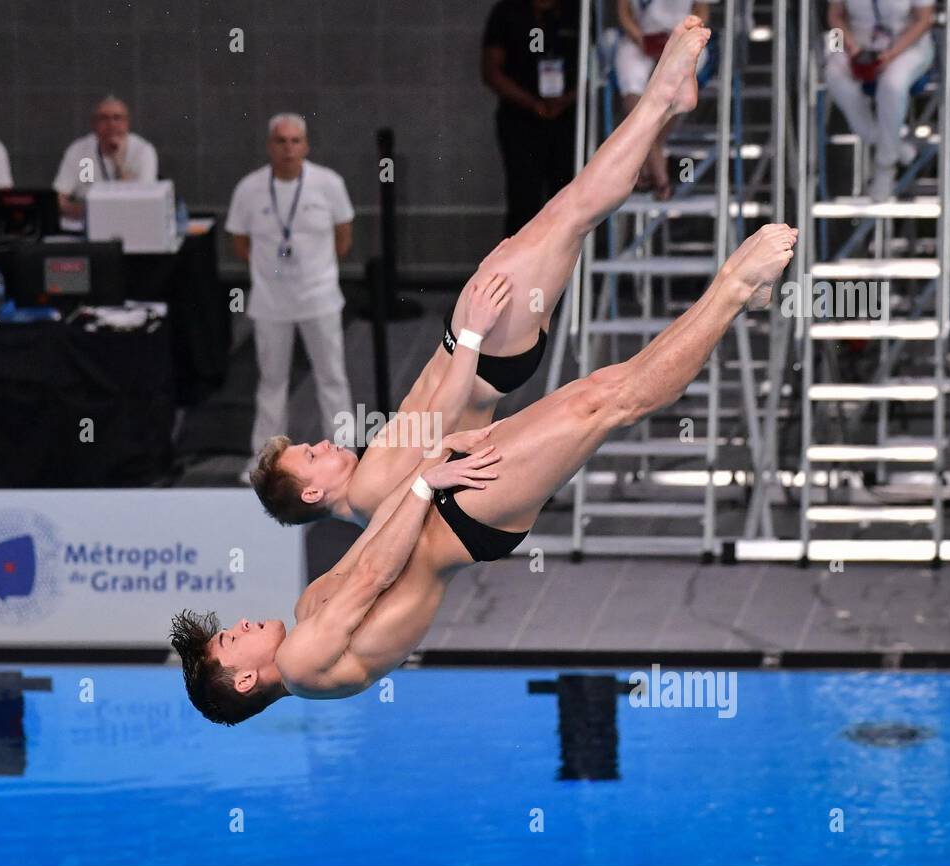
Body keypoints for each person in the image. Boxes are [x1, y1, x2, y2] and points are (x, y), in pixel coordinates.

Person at [172, 222, 797, 725]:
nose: (241, 625)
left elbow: (374, 540)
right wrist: (428, 481)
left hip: (449, 505)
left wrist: (432, 462)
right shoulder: (303, 665)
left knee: (598, 396)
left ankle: (736, 296)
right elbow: (374, 573)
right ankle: (736, 286)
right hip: (460, 517)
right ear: (246, 679)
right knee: (606, 402)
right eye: (231, 640)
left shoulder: (307, 612)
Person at [252, 19, 710, 531]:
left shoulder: (367, 498)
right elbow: (440, 418)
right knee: (573, 209)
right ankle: (661, 99)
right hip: (483, 349)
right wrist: (471, 331)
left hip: (483, 354)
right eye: (311, 455)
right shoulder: (365, 492)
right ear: (313, 492)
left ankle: (663, 104)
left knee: (571, 214)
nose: (322, 443)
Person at [226, 113, 355, 482]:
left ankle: (345, 457)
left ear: (306, 145)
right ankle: (265, 462)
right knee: (271, 381)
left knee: (332, 377)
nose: (288, 148)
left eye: (295, 141)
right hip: (271, 302)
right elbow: (240, 242)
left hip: (320, 298)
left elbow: (343, 238)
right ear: (270, 146)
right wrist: (271, 273)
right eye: (281, 141)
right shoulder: (249, 188)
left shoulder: (329, 184)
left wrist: (314, 272)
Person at [482, 0, 581, 236]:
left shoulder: (576, 12)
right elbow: (491, 71)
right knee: (523, 200)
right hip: (521, 121)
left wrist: (567, 99)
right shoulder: (507, 12)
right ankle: (519, 260)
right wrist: (532, 104)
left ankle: (564, 259)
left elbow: (595, 67)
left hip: (566, 120)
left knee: (567, 198)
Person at [824, 0, 937, 201]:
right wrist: (850, 45)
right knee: (833, 74)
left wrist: (892, 54)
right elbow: (835, 15)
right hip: (856, 43)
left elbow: (925, 20)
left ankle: (885, 166)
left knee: (892, 85)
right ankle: (888, 142)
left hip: (906, 44)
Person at [615, 0, 711, 199]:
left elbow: (702, 11)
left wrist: (680, 40)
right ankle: (659, 168)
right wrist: (641, 40)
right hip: (639, 40)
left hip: (682, 41)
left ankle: (648, 160)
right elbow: (624, 12)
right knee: (631, 79)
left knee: (679, 80)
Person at [53, 96, 157, 220]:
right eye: (104, 118)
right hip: (88, 219)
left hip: (131, 220)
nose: (111, 124)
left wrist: (118, 162)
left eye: (117, 118)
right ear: (94, 124)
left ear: (127, 122)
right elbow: (60, 197)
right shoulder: (79, 150)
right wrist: (86, 211)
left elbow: (143, 200)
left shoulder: (143, 151)